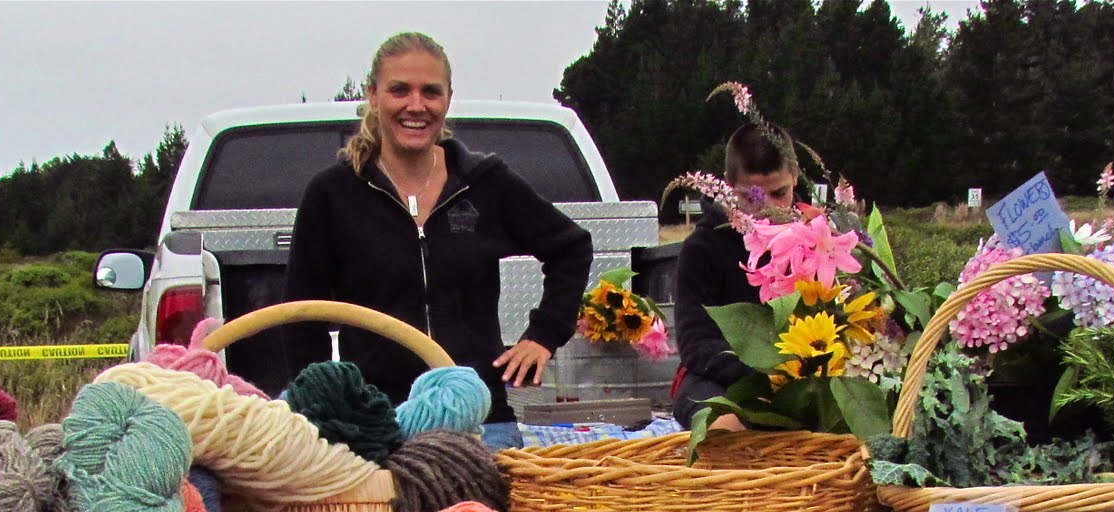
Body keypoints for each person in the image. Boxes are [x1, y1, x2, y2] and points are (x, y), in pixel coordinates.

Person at [281, 32, 594, 444]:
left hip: (482, 417)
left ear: (448, 98)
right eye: (399, 90)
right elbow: (302, 316)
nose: (416, 105)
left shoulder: (487, 183)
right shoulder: (332, 194)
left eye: (431, 92)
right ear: (373, 95)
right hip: (380, 421)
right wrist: (322, 415)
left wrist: (544, 335)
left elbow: (571, 247)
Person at [670, 122, 802, 428]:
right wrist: (765, 372)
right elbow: (696, 343)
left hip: (807, 374)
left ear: (795, 176)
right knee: (723, 425)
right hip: (723, 376)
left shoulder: (819, 237)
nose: (768, 209)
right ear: (728, 185)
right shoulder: (703, 247)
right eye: (753, 197)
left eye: (779, 193)